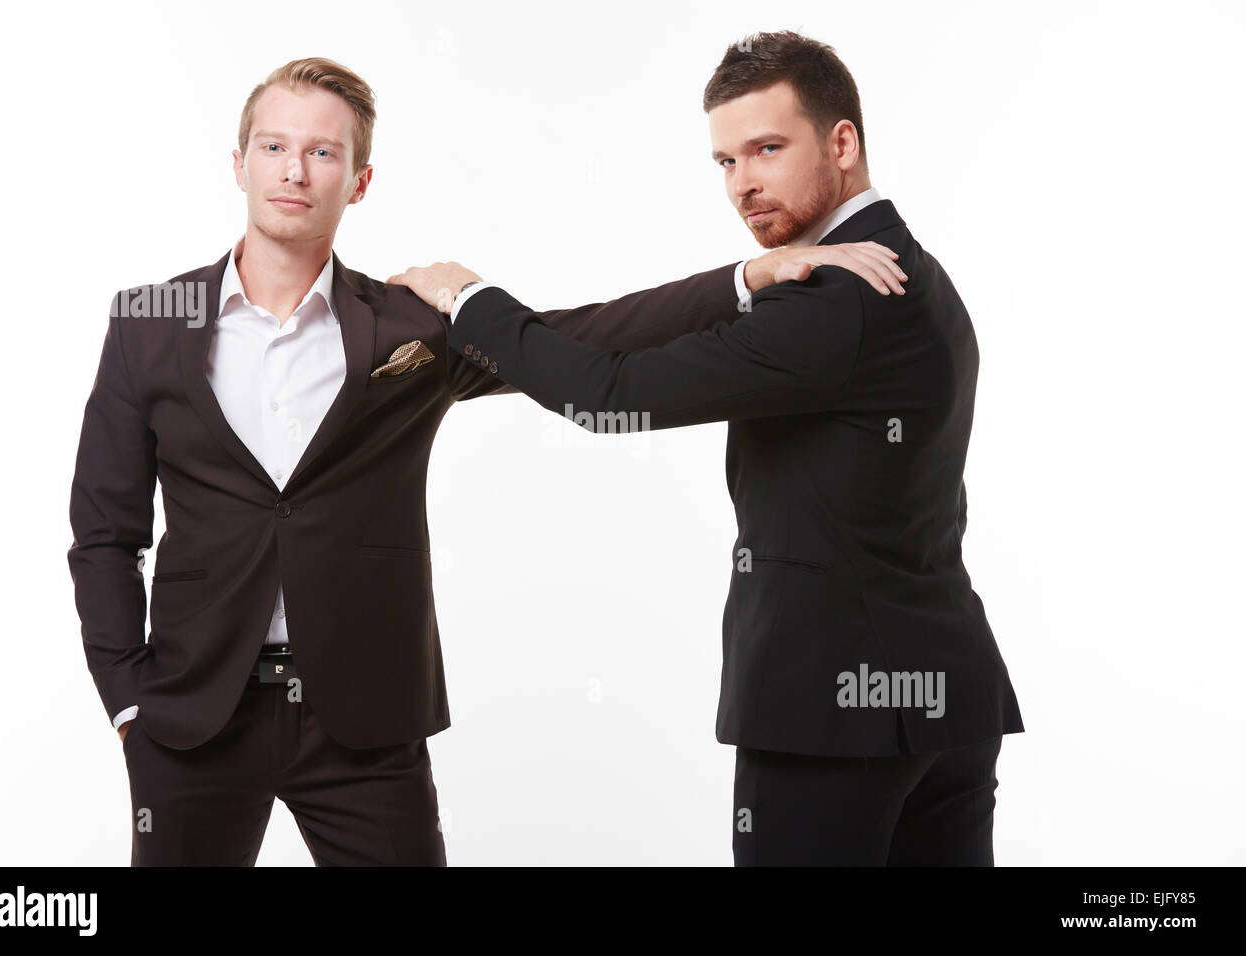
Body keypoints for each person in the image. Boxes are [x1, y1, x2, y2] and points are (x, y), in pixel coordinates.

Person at [67, 54, 902, 866]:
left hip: (362, 720)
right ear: (240, 164)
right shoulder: (148, 324)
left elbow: (583, 333)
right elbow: (104, 533)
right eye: (275, 147)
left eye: (324, 151)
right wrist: (129, 702)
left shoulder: (407, 328)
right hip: (193, 717)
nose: (295, 170)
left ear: (357, 181)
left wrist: (749, 277)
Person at [393, 31, 1024, 866]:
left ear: (843, 142)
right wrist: (748, 276)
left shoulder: (833, 302)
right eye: (725, 162)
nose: (744, 183)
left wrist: (464, 296)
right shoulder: (917, 273)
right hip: (951, 701)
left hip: (832, 718)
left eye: (767, 148)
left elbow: (605, 392)